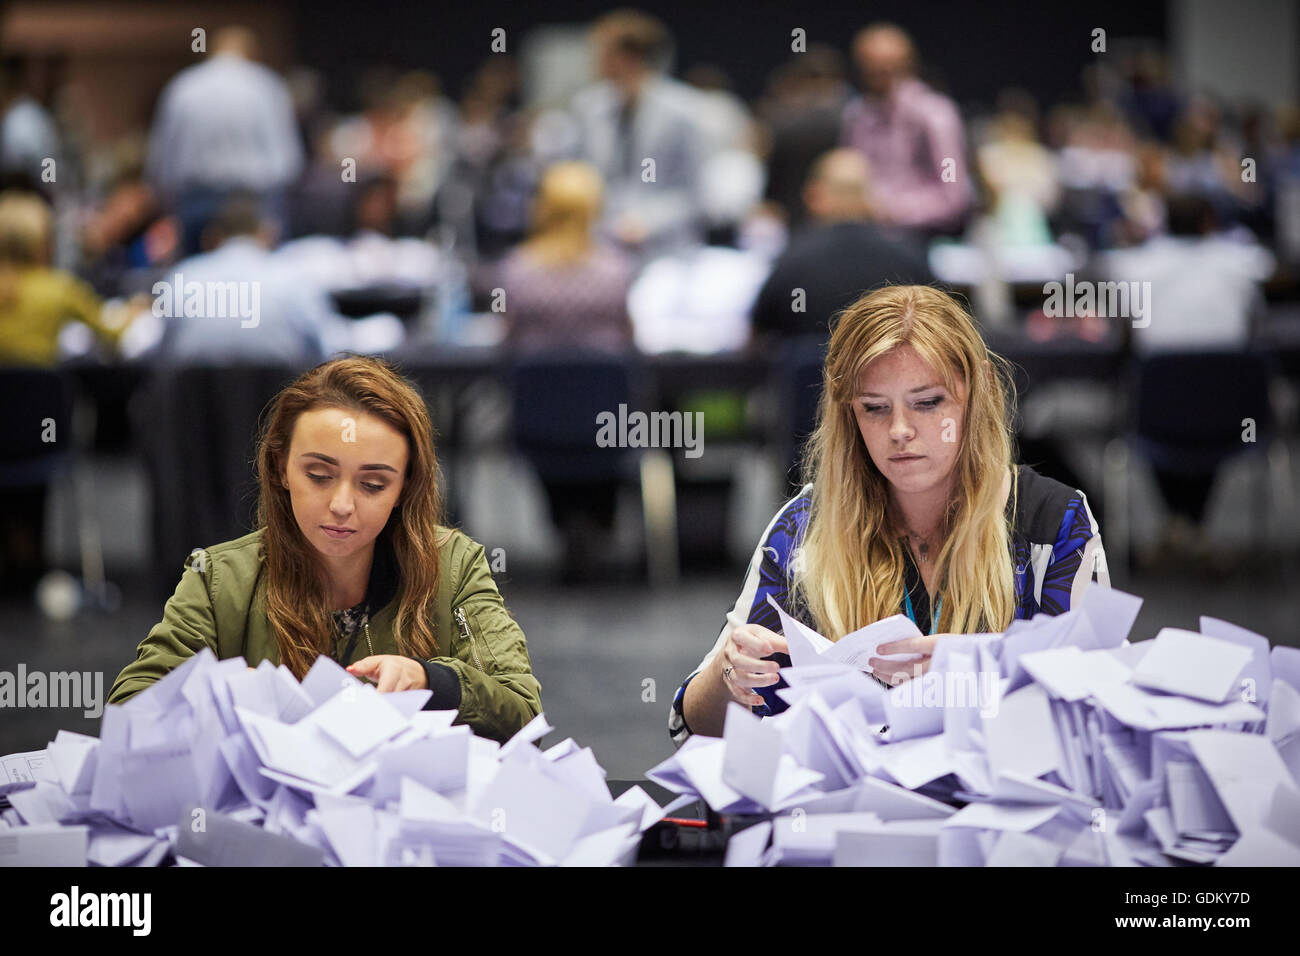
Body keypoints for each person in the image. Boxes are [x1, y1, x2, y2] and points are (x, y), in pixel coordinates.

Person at [670, 285, 1108, 744]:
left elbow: (1100, 716)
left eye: (927, 402)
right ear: (849, 416)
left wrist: (985, 666)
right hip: (848, 806)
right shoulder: (806, 527)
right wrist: (728, 677)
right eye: (874, 409)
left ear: (974, 396)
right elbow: (690, 723)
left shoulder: (1055, 523)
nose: (899, 430)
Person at [108, 356, 542, 743]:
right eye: (318, 475)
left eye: (373, 484)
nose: (341, 506)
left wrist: (431, 679)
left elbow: (523, 715)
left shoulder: (454, 564)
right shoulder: (218, 577)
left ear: (405, 487)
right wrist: (210, 689)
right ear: (280, 467)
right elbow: (129, 710)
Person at [146, 26, 303, 256]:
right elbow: (288, 160)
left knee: (199, 283)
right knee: (258, 282)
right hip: (253, 204)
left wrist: (166, 205)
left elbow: (162, 158)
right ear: (250, 53)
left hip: (197, 202)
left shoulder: (183, 86)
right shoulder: (266, 85)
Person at [750, 148, 933, 341]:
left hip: (809, 371)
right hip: (890, 367)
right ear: (871, 197)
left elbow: (759, 330)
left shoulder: (792, 259)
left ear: (814, 195)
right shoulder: (910, 259)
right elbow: (939, 327)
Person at [840, 23, 971, 237]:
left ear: (908, 65)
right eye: (869, 68)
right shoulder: (857, 115)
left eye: (887, 67)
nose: (878, 75)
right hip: (868, 233)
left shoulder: (936, 115)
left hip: (921, 236)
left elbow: (953, 195)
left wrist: (890, 210)